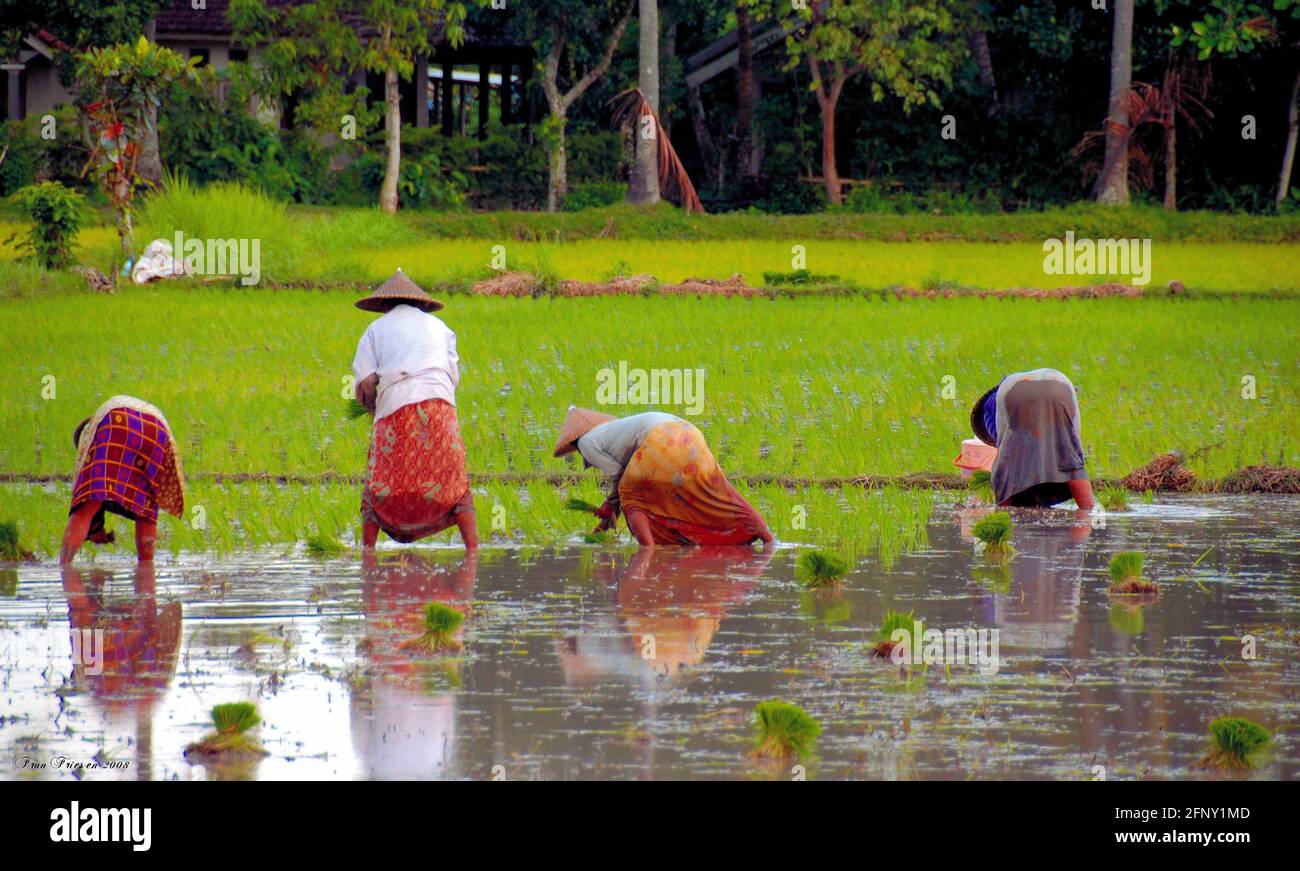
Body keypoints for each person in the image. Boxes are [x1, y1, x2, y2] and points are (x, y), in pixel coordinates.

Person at [352, 268, 477, 550]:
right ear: (420, 304)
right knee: (453, 479)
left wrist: (372, 407)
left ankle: (367, 551)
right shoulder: (441, 328)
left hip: (396, 411)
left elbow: (367, 382)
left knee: (381, 483)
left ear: (384, 305)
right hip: (441, 408)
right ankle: (473, 550)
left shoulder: (375, 330)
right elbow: (451, 377)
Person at [553, 406, 773, 547]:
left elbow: (619, 477)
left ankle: (648, 550)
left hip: (659, 440)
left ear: (574, 442)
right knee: (717, 491)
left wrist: (610, 508)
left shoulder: (585, 442)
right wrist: (608, 516)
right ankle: (767, 537)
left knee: (631, 496)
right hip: (689, 432)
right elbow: (639, 475)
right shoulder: (613, 430)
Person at [62, 396, 185, 564]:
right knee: (146, 509)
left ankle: (64, 567)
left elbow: (87, 494)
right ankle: (146, 572)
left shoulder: (93, 435)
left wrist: (94, 527)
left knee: (87, 505)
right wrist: (97, 529)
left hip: (115, 423)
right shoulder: (115, 414)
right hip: (156, 431)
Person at [970, 368, 1095, 510]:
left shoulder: (988, 410)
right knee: (1069, 457)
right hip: (1059, 383)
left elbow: (1011, 458)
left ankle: (1002, 516)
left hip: (1016, 394)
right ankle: (1088, 511)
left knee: (1007, 466)